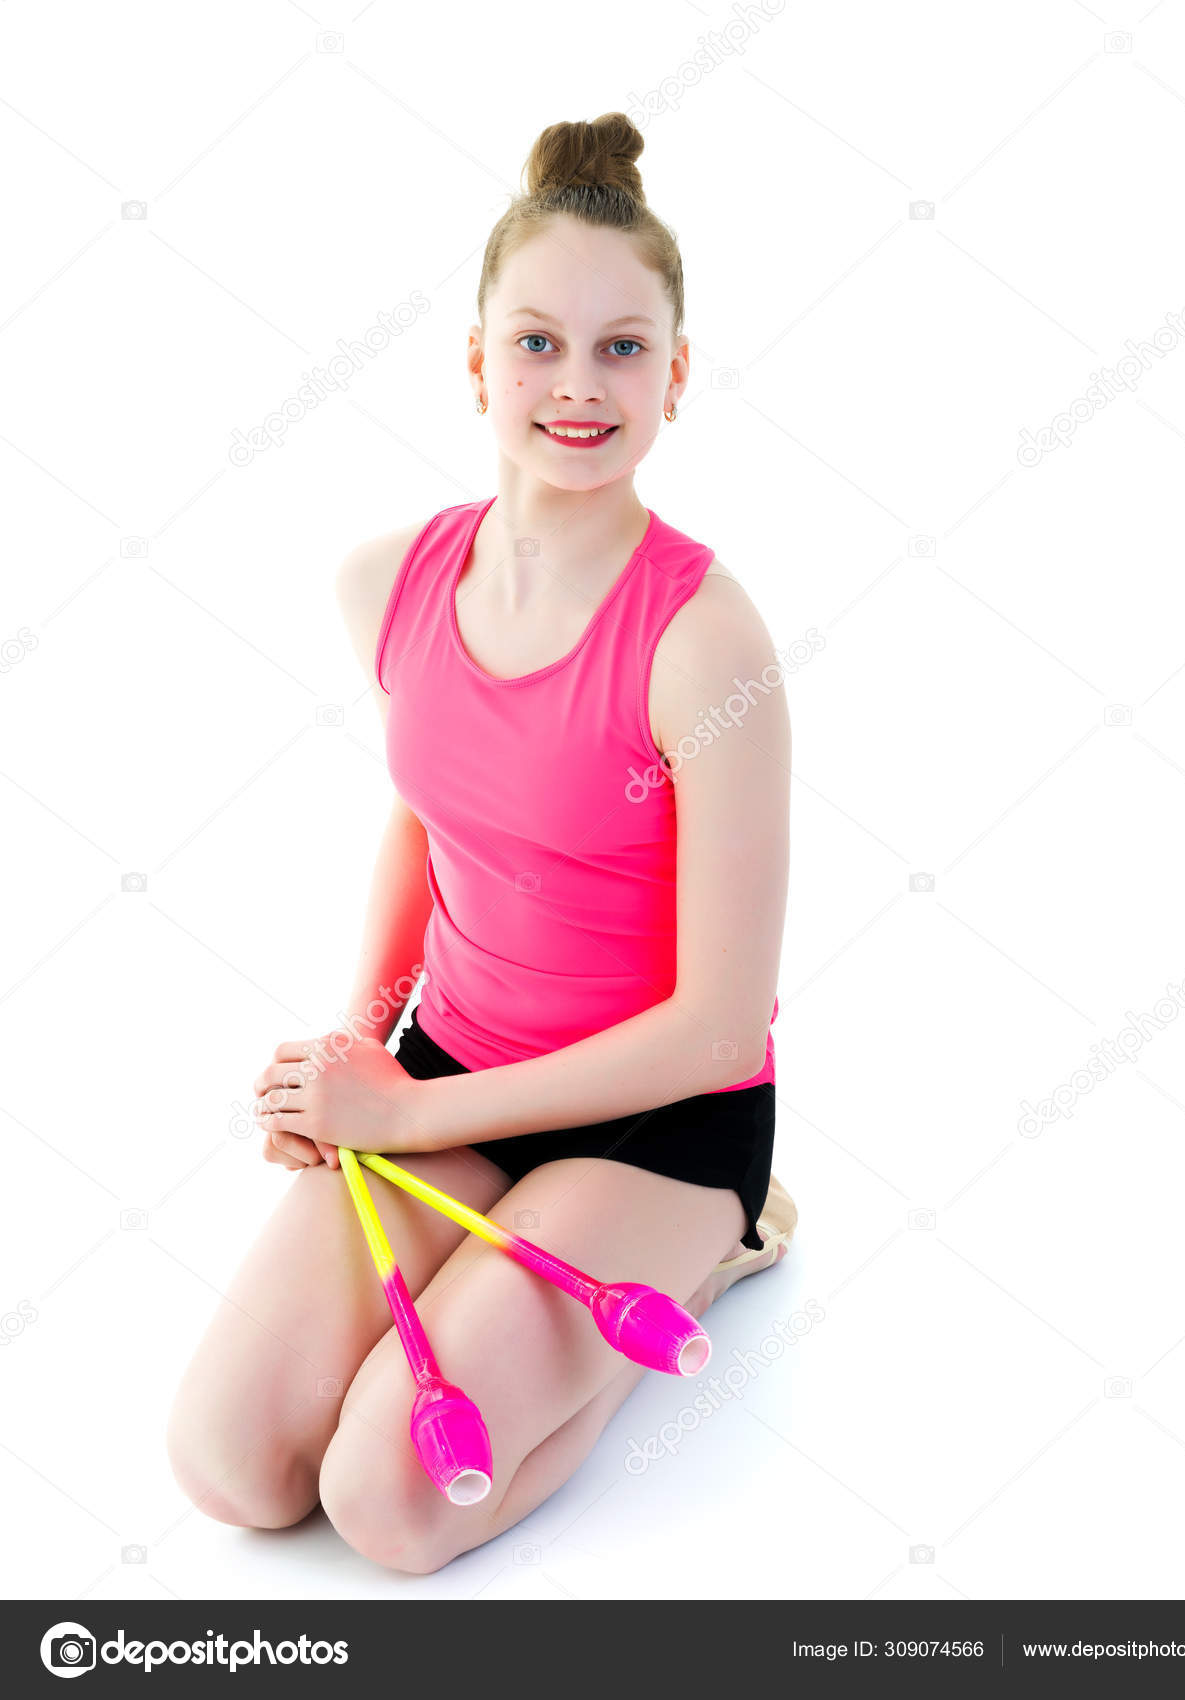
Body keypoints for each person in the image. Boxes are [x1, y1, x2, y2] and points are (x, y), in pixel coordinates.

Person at [167, 111, 794, 1575]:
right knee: (232, 1466)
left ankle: (714, 1249)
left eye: (625, 348)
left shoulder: (709, 647)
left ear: (679, 377)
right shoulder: (384, 581)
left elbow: (712, 1031)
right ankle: (503, 1217)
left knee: (388, 1502)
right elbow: (433, 809)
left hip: (661, 1125)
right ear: (475, 363)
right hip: (453, 1077)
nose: (579, 386)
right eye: (538, 343)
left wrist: (400, 1124)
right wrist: (349, 1060)